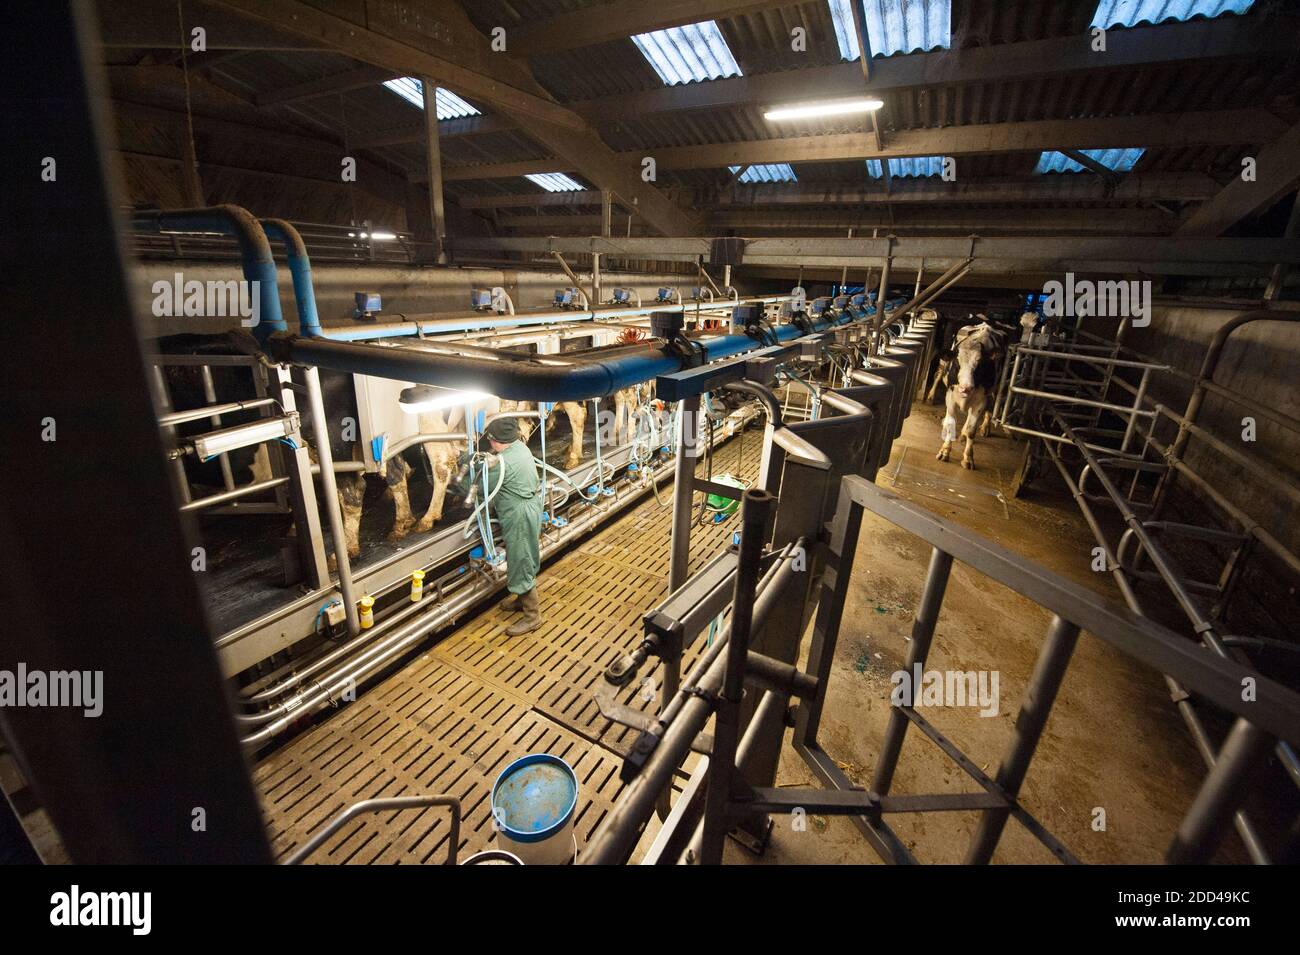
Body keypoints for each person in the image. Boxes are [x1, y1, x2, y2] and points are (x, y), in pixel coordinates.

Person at [483, 416, 544, 636]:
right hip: (529, 508)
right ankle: (521, 601)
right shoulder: (520, 448)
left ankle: (532, 616)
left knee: (520, 559)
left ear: (495, 440)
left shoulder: (502, 462)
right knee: (525, 554)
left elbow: (483, 486)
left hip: (518, 515)